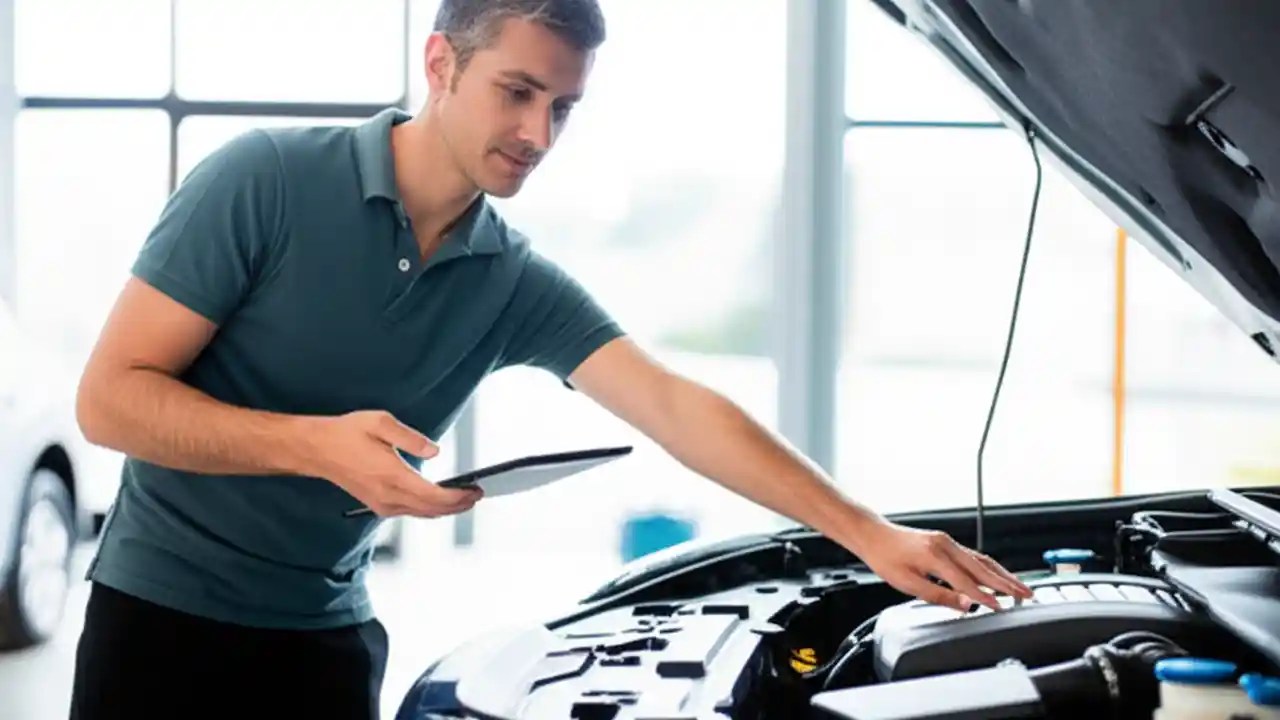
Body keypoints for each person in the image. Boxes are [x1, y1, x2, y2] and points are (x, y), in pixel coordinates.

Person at [68, 0, 1032, 716]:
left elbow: (672, 404)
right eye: (517, 93)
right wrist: (317, 446)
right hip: (162, 626)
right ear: (441, 63)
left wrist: (870, 535)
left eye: (563, 108)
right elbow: (111, 402)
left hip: (328, 641)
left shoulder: (512, 278)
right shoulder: (265, 180)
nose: (537, 135)